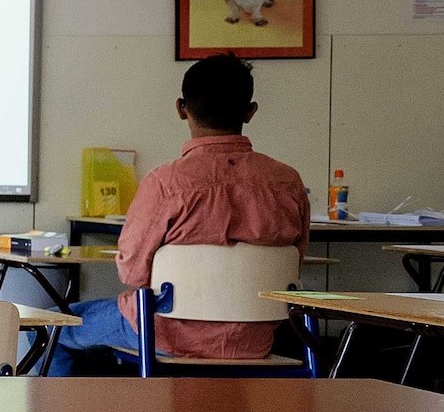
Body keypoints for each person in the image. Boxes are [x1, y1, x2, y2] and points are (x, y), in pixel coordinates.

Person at [44, 54, 308, 374]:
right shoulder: (288, 182)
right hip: (254, 339)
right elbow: (294, 263)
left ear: (181, 108)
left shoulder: (166, 183)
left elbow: (132, 274)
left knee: (48, 328)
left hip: (165, 334)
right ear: (250, 111)